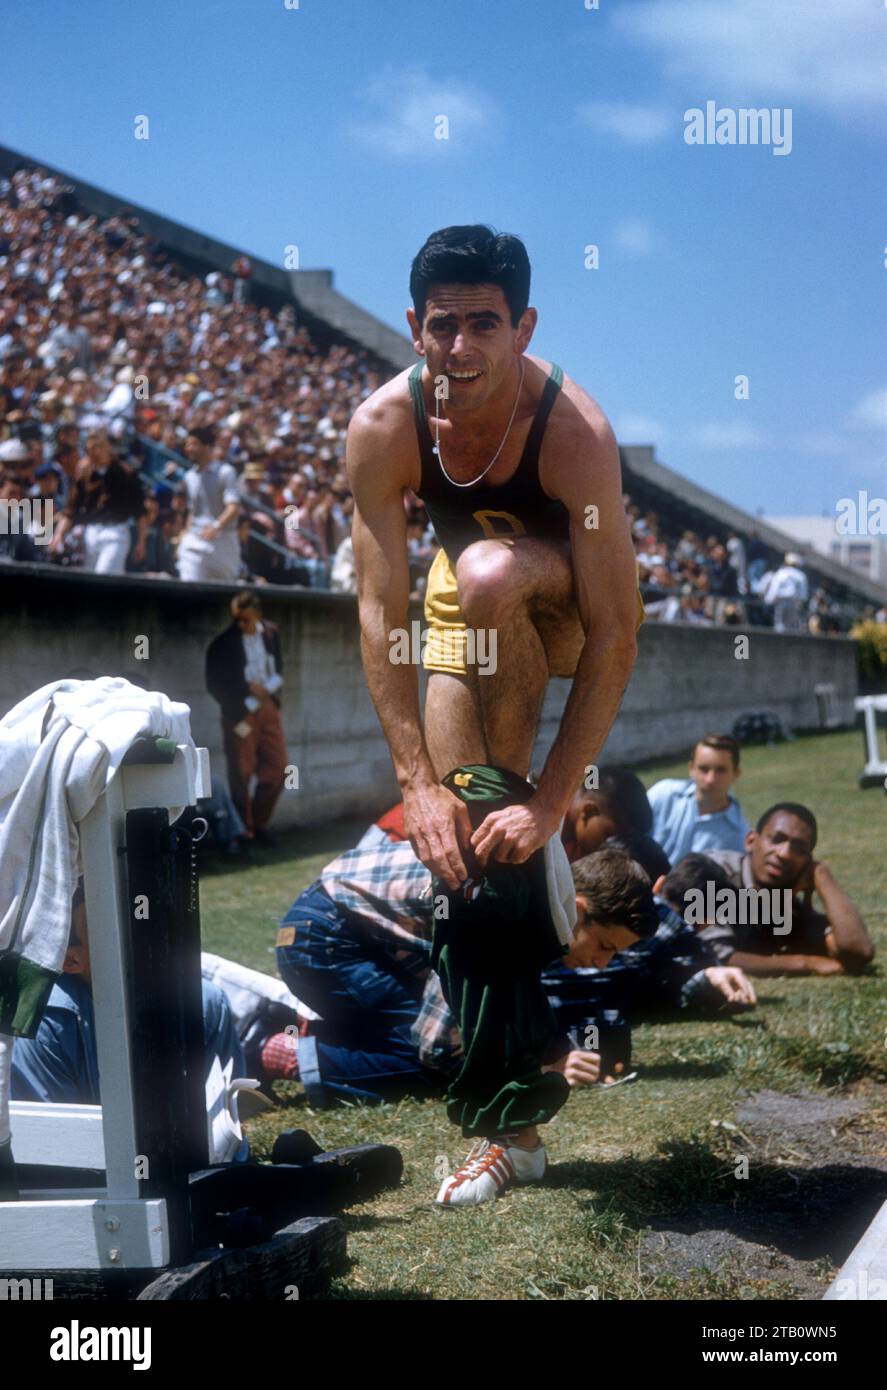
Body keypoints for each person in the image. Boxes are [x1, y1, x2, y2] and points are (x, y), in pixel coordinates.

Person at [347, 226, 643, 1198]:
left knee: (481, 570)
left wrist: (556, 799)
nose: (461, 348)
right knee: (470, 847)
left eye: (484, 324)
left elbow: (612, 634)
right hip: (456, 613)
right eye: (442, 326)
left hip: (552, 608)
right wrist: (416, 788)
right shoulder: (384, 429)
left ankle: (534, 829)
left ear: (522, 326)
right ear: (413, 328)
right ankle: (507, 1133)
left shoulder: (573, 432)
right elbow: (378, 611)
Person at [11, 884, 246, 1115]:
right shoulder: (43, 1025)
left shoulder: (204, 1001)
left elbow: (227, 1119)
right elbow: (55, 1140)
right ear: (71, 960)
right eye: (108, 926)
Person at [700, 803, 874, 976]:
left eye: (799, 849)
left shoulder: (784, 902)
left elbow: (858, 951)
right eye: (776, 839)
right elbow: (717, 957)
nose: (784, 854)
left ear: (806, 861)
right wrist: (806, 963)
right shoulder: (707, 873)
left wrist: (821, 874)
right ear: (751, 841)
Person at [205, 590, 288, 846]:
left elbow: (278, 668)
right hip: (240, 713)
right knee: (241, 772)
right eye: (238, 619)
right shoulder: (223, 643)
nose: (241, 624)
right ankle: (243, 831)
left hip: (268, 708)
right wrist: (245, 690)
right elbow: (214, 683)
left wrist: (267, 690)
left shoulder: (271, 634)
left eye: (246, 619)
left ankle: (259, 823)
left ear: (258, 615)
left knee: (278, 769)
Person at [48, 428, 147, 574]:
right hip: (91, 532)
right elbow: (71, 510)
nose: (96, 451)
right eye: (91, 447)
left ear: (109, 447)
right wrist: (58, 535)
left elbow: (140, 512)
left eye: (99, 446)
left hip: (116, 531)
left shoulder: (127, 473)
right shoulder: (83, 473)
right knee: (88, 580)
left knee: (105, 576)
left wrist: (141, 542)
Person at [647, 734, 749, 863]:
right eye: (704, 769)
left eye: (720, 770)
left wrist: (707, 884)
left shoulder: (739, 836)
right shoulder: (663, 795)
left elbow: (715, 882)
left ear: (736, 773)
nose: (710, 779)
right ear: (691, 769)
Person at [561, 766, 670, 882]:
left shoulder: (580, 844)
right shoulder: (543, 831)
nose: (616, 849)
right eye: (610, 837)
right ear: (589, 811)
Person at [176, 424, 242, 582]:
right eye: (187, 444)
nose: (188, 448)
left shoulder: (226, 472)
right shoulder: (189, 477)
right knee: (190, 590)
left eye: (193, 444)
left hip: (223, 543)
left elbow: (233, 507)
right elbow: (194, 510)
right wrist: (185, 532)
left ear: (207, 446)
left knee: (225, 594)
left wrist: (216, 527)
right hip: (194, 541)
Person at [763, 552, 809, 633]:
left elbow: (773, 592)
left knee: (779, 626)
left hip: (781, 604)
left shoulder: (780, 573)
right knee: (792, 627)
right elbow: (803, 596)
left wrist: (768, 601)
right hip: (794, 605)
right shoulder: (801, 576)